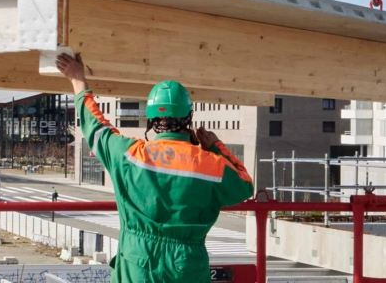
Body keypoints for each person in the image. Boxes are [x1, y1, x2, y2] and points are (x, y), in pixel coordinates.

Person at [56, 53, 254, 283]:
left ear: (151, 120)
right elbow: (245, 185)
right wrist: (216, 146)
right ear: (188, 117)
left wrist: (78, 80)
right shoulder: (211, 164)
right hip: (187, 264)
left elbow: (96, 127)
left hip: (137, 262)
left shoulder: (129, 154)